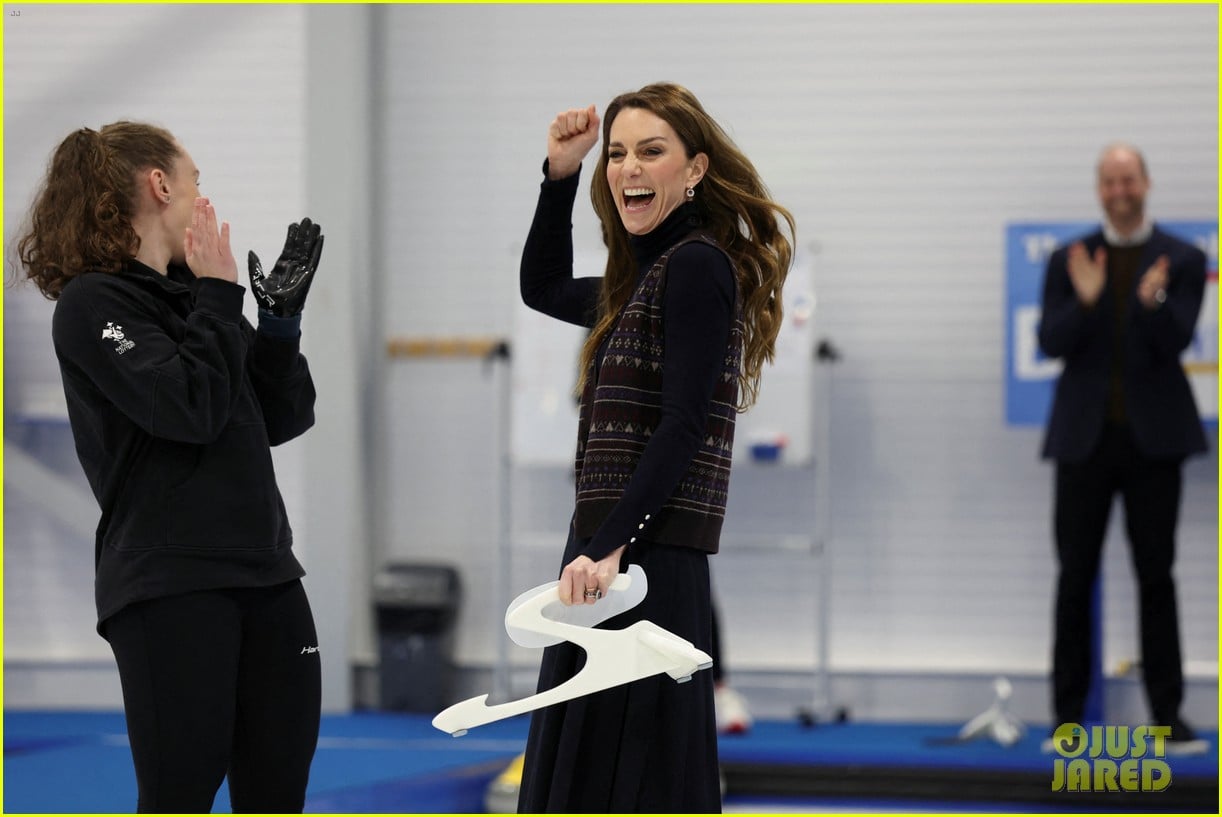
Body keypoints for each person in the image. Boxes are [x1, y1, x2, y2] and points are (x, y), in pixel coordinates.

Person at [15, 121, 327, 810]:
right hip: (172, 585)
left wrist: (277, 327)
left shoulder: (195, 292)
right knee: (179, 793)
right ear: (160, 185)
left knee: (279, 791)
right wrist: (221, 297)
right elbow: (186, 407)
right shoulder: (93, 303)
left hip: (266, 573)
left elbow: (278, 417)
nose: (200, 194)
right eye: (196, 179)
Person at [516, 83, 795, 812]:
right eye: (617, 154)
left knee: (637, 779)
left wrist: (610, 546)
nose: (629, 167)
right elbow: (540, 285)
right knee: (583, 779)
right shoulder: (635, 277)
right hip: (607, 549)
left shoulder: (698, 266)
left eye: (651, 151)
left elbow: (684, 424)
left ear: (695, 168)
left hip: (645, 558)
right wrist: (560, 172)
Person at [1037, 143, 1209, 754]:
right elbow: (1050, 342)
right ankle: (1066, 719)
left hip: (1153, 444)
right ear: (1098, 188)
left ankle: (1169, 715)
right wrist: (1085, 300)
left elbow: (1179, 339)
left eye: (1128, 179)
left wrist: (1151, 301)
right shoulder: (1070, 259)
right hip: (1082, 444)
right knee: (1073, 578)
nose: (1119, 189)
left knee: (1155, 575)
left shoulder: (1183, 259)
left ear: (1146, 183)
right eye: (1109, 181)